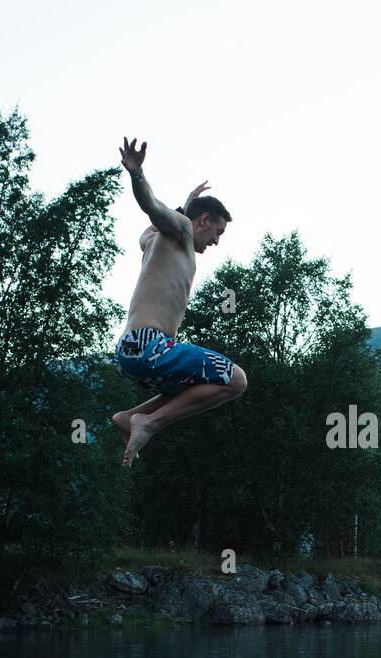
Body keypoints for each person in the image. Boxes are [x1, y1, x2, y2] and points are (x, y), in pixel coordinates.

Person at [111, 137, 247, 466]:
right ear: (201, 221)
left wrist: (185, 205)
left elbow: (156, 221)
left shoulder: (152, 241)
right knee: (235, 380)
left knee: (192, 384)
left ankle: (128, 417)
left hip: (128, 352)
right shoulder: (183, 231)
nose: (216, 241)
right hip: (151, 347)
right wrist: (137, 174)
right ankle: (148, 422)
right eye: (217, 231)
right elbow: (152, 207)